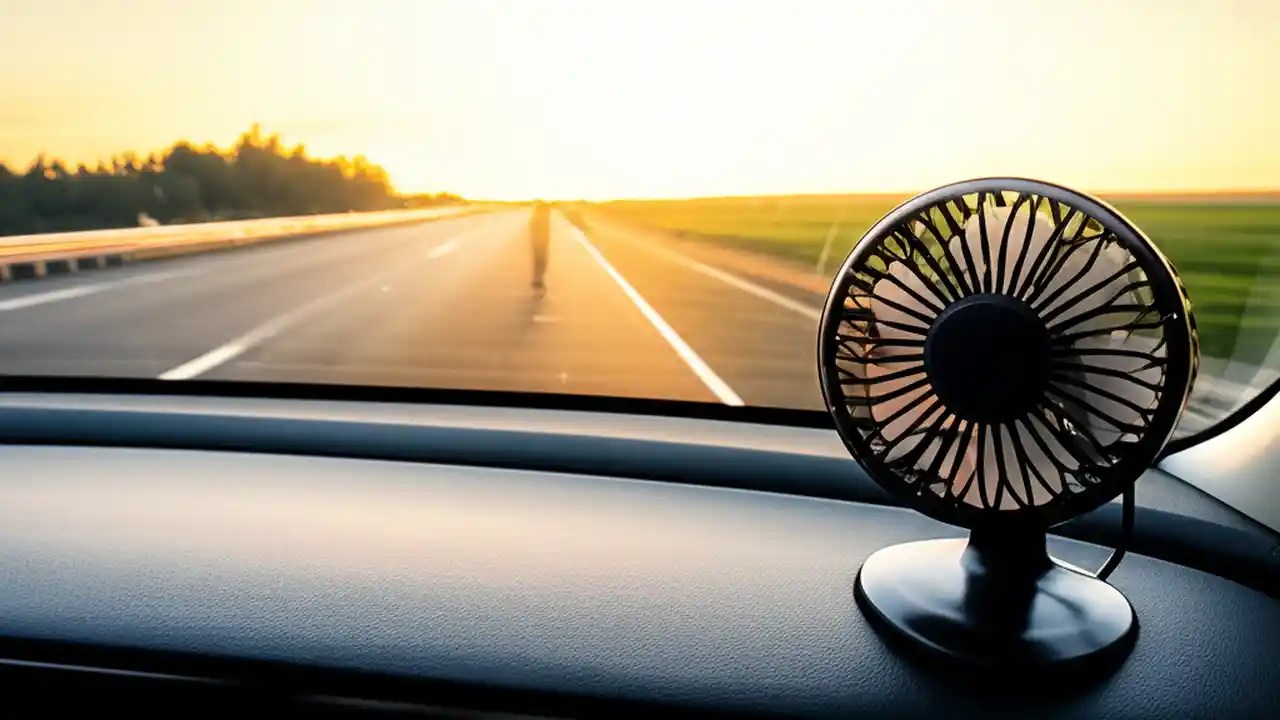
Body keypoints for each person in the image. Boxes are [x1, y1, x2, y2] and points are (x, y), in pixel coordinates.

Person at [530, 200, 551, 294]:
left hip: (539, 243)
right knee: (541, 263)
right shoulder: (540, 218)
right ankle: (538, 282)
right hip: (540, 243)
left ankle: (537, 281)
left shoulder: (536, 218)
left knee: (539, 263)